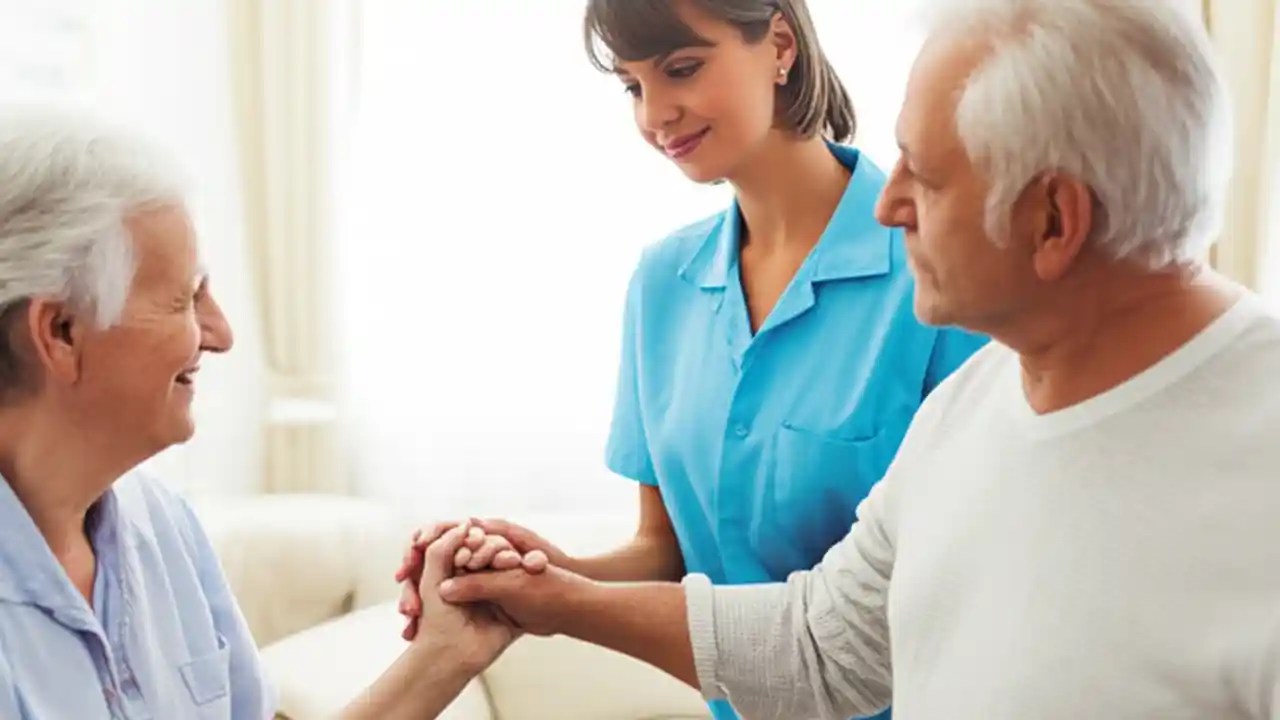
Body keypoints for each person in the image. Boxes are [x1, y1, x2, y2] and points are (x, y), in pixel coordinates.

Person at [402, 0, 1280, 717]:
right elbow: (824, 644)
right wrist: (546, 588)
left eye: (926, 178)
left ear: (1053, 220)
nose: (891, 204)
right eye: (632, 85)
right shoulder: (975, 405)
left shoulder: (1238, 456)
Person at [399, 2, 985, 715]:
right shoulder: (662, 284)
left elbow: (968, 576)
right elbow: (666, 552)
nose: (656, 115)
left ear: (778, 44)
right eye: (633, 86)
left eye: (682, 69)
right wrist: (539, 570)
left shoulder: (935, 266)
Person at [0, 110, 538, 720]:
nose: (221, 334)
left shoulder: (163, 526)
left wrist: (447, 653)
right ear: (61, 332)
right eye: (184, 298)